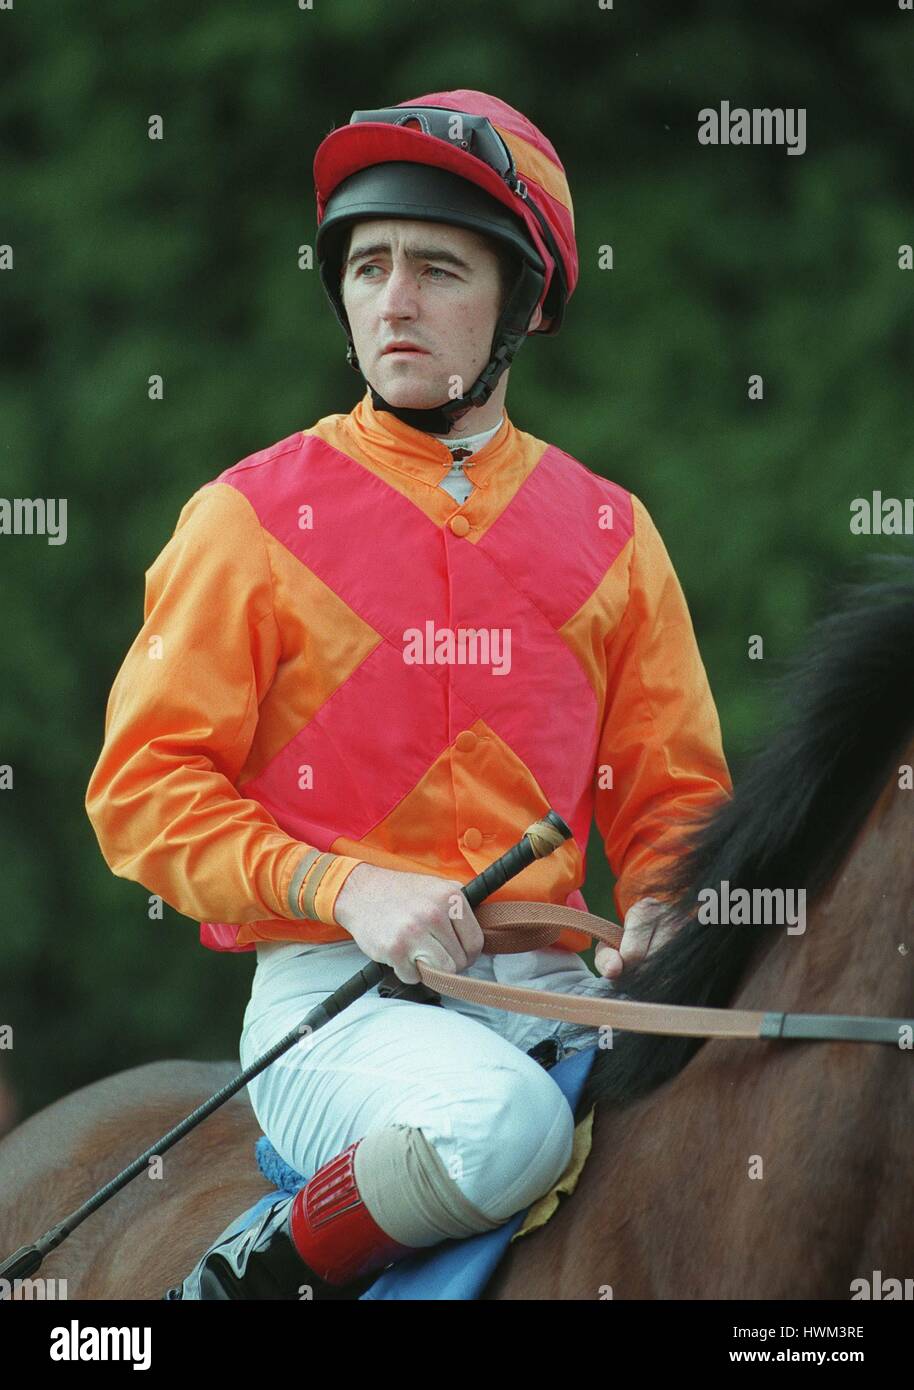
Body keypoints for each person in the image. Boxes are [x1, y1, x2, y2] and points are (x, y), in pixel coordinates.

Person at [85, 89, 732, 1300]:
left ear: (520, 304)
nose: (393, 299)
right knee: (507, 1131)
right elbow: (143, 789)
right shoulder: (246, 521)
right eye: (369, 264)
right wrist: (343, 884)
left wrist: (665, 903)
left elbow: (673, 796)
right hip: (331, 1003)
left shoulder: (611, 533)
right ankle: (245, 1273)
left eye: (437, 268)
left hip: (554, 988)